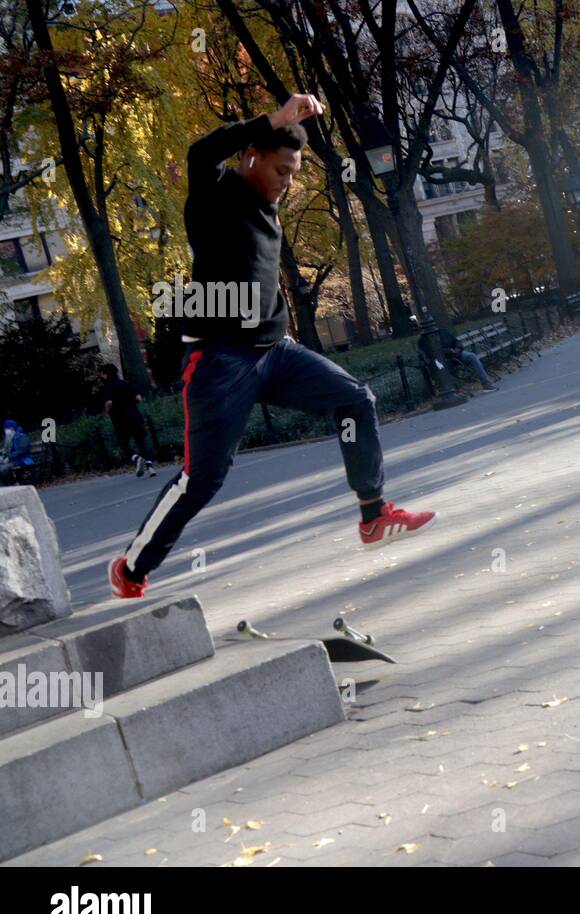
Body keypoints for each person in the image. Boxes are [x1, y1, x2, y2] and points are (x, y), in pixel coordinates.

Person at [107, 94, 435, 600]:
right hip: (219, 361)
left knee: (355, 399)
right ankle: (131, 569)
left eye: (295, 172)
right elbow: (199, 152)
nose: (288, 182)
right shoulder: (216, 194)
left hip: (275, 352)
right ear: (253, 157)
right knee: (204, 479)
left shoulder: (270, 210)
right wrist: (272, 119)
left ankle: (373, 514)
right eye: (282, 170)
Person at [100, 365, 157, 477]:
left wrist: (106, 412)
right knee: (142, 443)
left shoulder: (106, 387)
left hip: (119, 420)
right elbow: (138, 398)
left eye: (102, 373)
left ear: (106, 374)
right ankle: (150, 467)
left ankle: (136, 458)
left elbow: (109, 402)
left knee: (124, 445)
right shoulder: (126, 383)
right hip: (134, 416)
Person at [438, 325, 498, 392]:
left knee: (472, 356)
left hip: (457, 354)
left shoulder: (443, 331)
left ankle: (486, 384)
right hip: (444, 359)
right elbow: (434, 351)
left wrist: (457, 348)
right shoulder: (428, 337)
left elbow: (456, 341)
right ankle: (454, 389)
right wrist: (449, 350)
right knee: (441, 367)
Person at [0, 419, 34, 485]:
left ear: (12, 428)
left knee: (3, 469)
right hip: (13, 460)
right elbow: (7, 451)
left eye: (7, 428)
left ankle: (12, 484)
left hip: (22, 460)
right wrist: (2, 457)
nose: (5, 431)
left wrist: (9, 458)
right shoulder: (10, 438)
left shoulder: (22, 437)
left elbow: (22, 450)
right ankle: (4, 487)